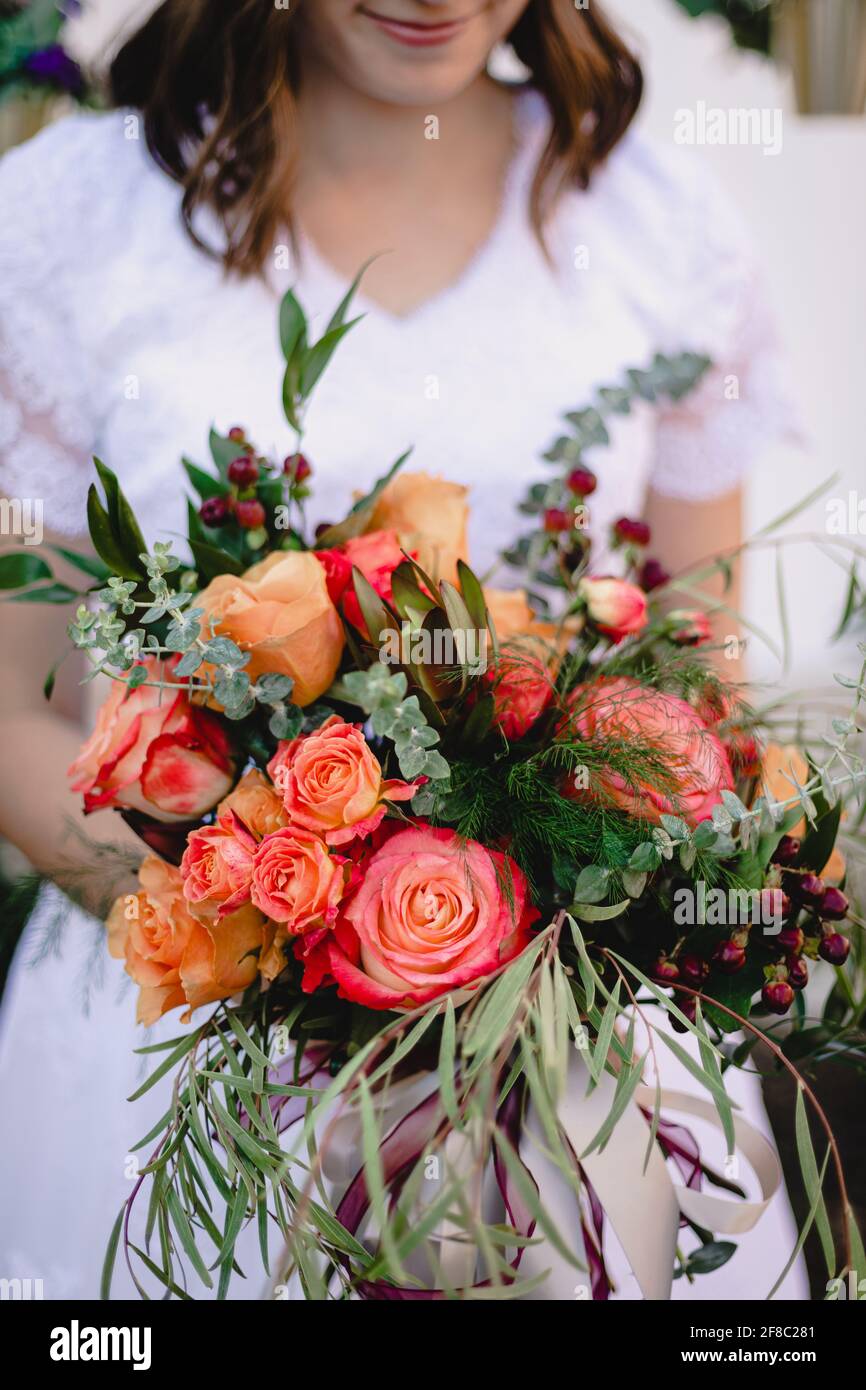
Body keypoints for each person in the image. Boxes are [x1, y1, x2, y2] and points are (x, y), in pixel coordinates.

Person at [0, 0, 803, 1299]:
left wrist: (538, 956)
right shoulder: (61, 224)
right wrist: (262, 939)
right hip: (183, 1051)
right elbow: (16, 709)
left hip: (572, 1034)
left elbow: (698, 685)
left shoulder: (655, 215)